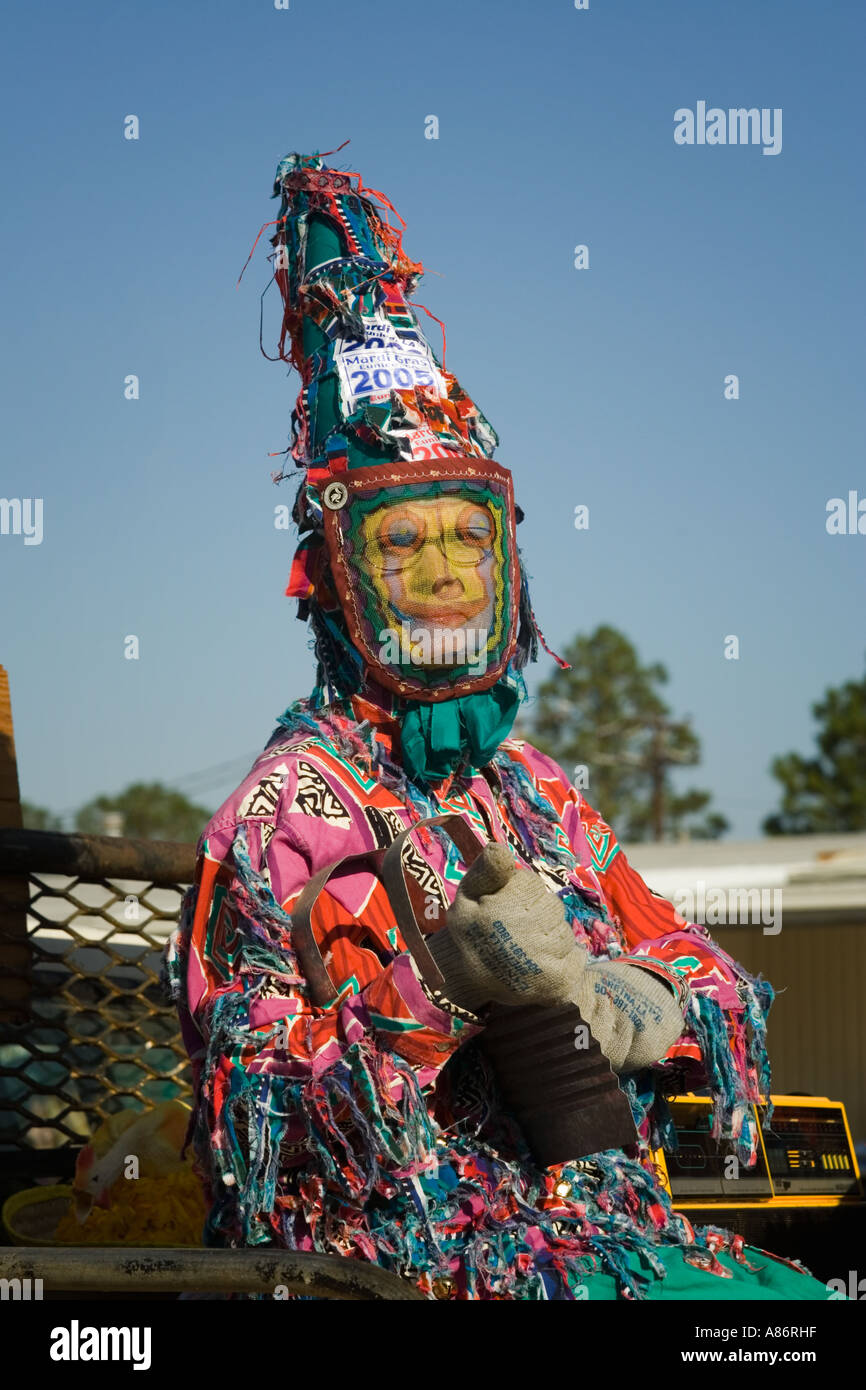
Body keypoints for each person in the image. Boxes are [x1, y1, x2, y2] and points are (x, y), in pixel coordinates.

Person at [167, 150, 828, 1300]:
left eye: (467, 540)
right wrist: (436, 998)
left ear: (511, 565)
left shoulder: (535, 788)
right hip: (403, 1257)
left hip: (603, 1222)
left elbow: (699, 967)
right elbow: (252, 1102)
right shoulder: (283, 808)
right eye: (399, 544)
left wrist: (611, 995)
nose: (441, 578)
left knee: (792, 1307)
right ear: (332, 579)